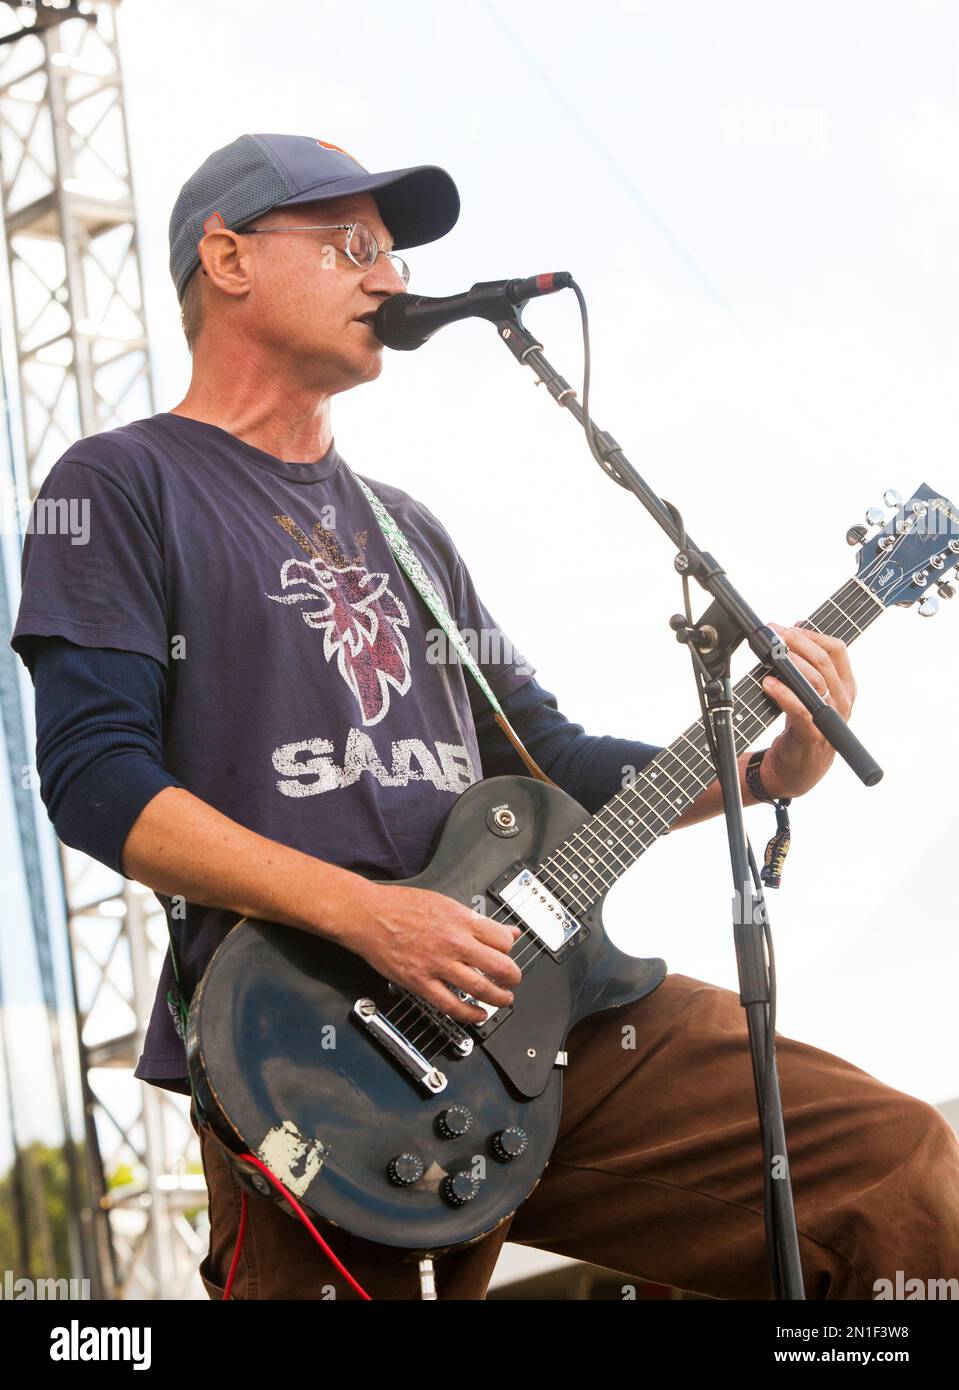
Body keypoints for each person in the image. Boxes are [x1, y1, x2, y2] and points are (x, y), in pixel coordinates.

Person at [10, 134, 959, 1302]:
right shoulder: (117, 484)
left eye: (396, 254)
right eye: (355, 245)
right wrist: (371, 915)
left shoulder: (409, 528)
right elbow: (95, 777)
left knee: (891, 1165)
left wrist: (764, 774)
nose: (394, 278)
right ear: (229, 257)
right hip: (312, 1054)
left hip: (545, 1011)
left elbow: (551, 760)